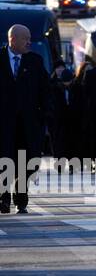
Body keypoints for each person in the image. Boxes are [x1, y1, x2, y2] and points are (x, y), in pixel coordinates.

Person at [1, 25, 56, 214]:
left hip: (29, 124)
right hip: (4, 125)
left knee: (28, 162)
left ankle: (21, 198)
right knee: (4, 161)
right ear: (12, 39)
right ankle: (4, 198)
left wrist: (44, 114)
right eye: (25, 38)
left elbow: (45, 90)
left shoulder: (35, 61)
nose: (29, 42)